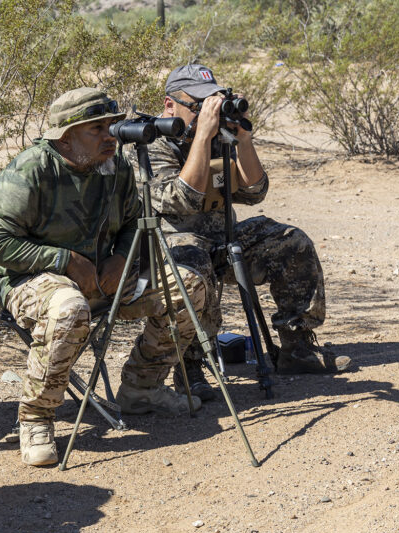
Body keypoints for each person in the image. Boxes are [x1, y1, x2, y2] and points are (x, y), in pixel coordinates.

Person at [0, 87, 210, 467]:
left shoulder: (114, 167)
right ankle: (37, 416)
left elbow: (136, 220)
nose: (110, 137)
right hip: (33, 281)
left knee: (189, 287)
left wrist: (123, 255)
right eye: (97, 129)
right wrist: (64, 260)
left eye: (112, 127)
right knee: (69, 306)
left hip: (106, 278)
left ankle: (142, 387)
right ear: (65, 138)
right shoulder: (30, 171)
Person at [132, 64, 350, 398]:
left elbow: (254, 191)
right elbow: (182, 199)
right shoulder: (151, 143)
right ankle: (190, 367)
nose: (209, 113)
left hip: (225, 238)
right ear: (170, 105)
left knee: (291, 242)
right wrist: (203, 137)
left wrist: (243, 139)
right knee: (195, 265)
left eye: (213, 103)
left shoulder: (221, 137)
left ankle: (297, 347)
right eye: (200, 106)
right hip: (175, 248)